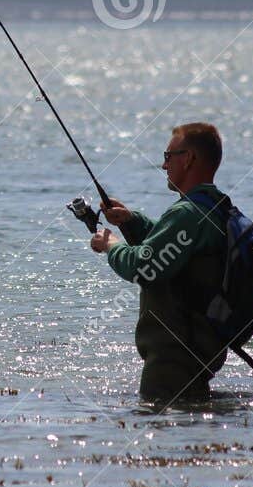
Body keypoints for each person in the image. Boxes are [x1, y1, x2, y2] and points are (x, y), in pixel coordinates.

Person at [90, 122, 231, 405]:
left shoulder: (188, 213)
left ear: (188, 158)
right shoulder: (214, 206)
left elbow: (143, 268)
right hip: (199, 348)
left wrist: (111, 245)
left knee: (158, 423)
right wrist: (131, 221)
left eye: (168, 156)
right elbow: (176, 247)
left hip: (175, 355)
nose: (163, 165)